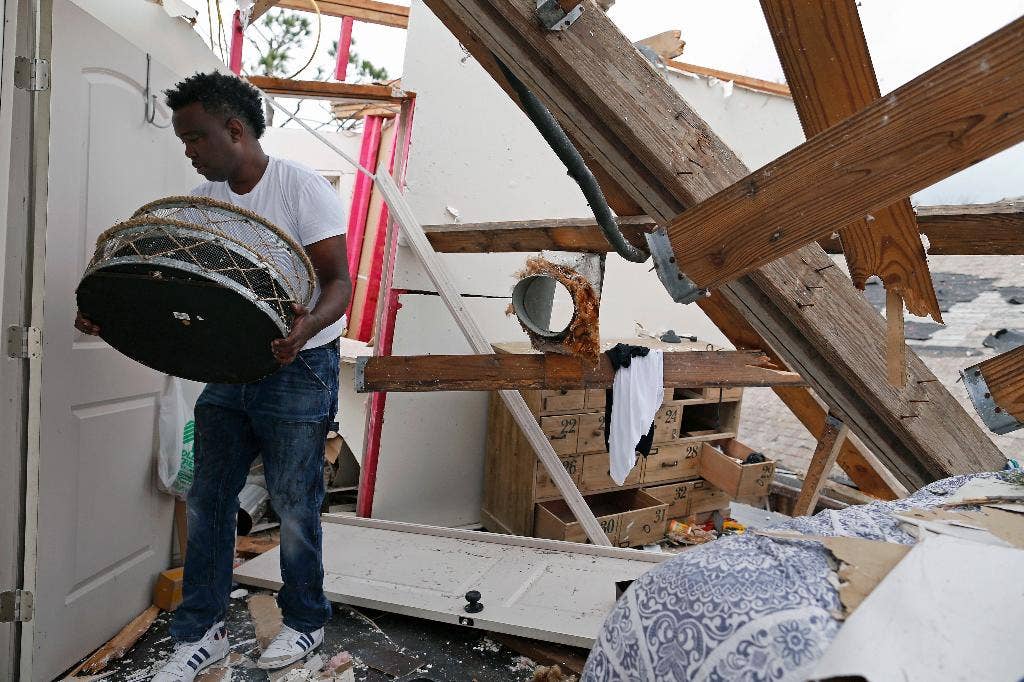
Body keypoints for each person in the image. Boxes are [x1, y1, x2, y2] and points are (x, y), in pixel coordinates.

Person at [75, 71, 352, 680]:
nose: (189, 150)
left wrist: (305, 330)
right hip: (231, 368)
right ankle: (200, 634)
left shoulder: (301, 190)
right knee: (207, 497)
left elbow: (339, 285)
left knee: (295, 502)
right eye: (185, 140)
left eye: (196, 137)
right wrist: (113, 309)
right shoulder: (212, 201)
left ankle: (305, 623)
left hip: (299, 365)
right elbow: (182, 290)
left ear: (235, 130)